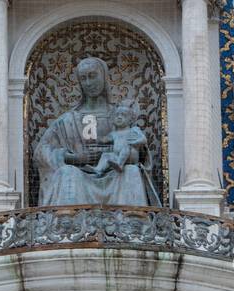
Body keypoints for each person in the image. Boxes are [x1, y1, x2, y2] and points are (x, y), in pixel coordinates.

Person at [33, 55, 160, 207]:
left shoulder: (121, 114)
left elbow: (139, 151)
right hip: (79, 174)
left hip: (116, 174)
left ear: (104, 77)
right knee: (68, 173)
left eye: (93, 76)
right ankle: (69, 225)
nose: (88, 83)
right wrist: (73, 158)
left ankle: (132, 224)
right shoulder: (66, 121)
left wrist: (127, 152)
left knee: (132, 171)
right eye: (83, 78)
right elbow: (42, 152)